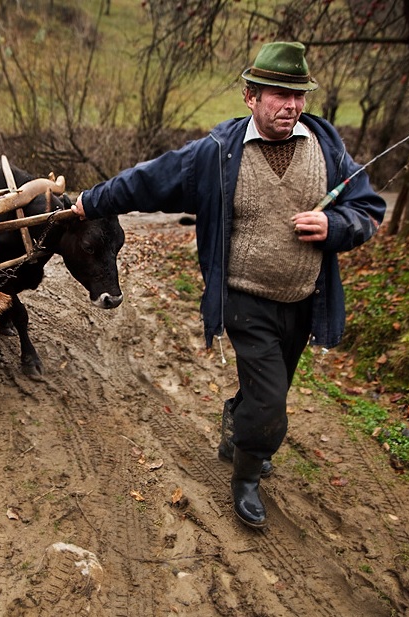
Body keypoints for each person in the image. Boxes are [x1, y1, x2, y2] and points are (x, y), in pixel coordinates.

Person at [71, 42, 385, 529]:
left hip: (303, 300)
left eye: (298, 95)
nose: (292, 106)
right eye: (279, 95)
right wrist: (92, 201)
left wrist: (336, 226)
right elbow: (149, 181)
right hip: (243, 297)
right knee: (271, 402)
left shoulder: (327, 146)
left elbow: (368, 209)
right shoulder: (218, 153)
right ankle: (246, 476)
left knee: (269, 389)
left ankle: (238, 423)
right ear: (250, 96)